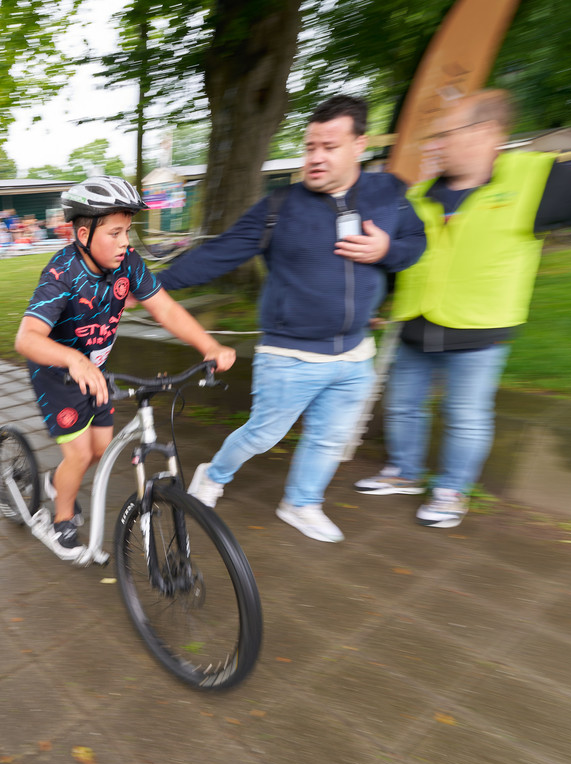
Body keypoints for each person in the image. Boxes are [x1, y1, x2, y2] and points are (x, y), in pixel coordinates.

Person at [355, 89, 571, 527]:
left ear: (484, 133)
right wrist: (376, 302)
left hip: (479, 329)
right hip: (416, 321)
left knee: (465, 415)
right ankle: (405, 472)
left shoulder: (535, 179)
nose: (434, 145)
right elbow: (399, 255)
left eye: (445, 134)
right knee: (402, 405)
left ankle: (451, 490)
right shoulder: (421, 194)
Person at [157, 95, 427, 543]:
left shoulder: (389, 194)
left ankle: (300, 503)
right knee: (262, 435)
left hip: (356, 353)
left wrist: (388, 252)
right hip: (291, 355)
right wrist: (151, 287)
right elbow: (217, 255)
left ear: (359, 145)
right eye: (309, 146)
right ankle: (213, 474)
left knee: (328, 439)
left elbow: (416, 242)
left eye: (329, 146)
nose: (316, 157)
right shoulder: (279, 208)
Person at [15, 175, 236, 560]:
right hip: (56, 373)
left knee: (101, 448)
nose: (124, 243)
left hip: (95, 371)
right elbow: (27, 338)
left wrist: (208, 345)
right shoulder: (61, 274)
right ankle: (61, 519)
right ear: (82, 233)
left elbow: (164, 308)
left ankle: (55, 483)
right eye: (114, 233)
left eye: (127, 232)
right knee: (80, 455)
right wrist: (72, 359)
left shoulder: (128, 264)